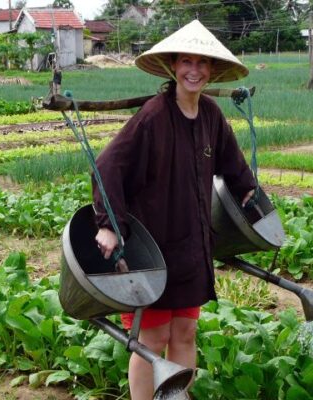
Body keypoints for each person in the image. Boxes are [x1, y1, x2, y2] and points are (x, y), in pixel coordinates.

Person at [92, 20, 256, 400]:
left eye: (202, 63)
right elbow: (107, 166)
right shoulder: (153, 117)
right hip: (153, 248)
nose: (194, 71)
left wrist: (249, 192)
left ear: (211, 70)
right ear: (173, 67)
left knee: (184, 333)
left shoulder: (211, 115)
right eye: (186, 62)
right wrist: (109, 225)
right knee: (151, 337)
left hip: (192, 247)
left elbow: (233, 165)